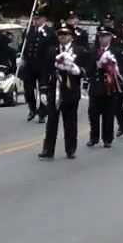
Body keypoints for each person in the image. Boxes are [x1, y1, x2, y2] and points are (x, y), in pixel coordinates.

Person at [40, 24, 86, 160]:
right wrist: (43, 89)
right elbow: (45, 70)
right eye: (60, 34)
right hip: (54, 90)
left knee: (70, 121)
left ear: (71, 36)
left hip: (71, 90)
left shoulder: (79, 50)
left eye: (65, 34)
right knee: (51, 121)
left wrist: (78, 71)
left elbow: (87, 68)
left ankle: (70, 149)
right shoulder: (52, 51)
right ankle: (48, 150)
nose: (62, 37)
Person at [86, 26, 120, 148]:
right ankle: (94, 137)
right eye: (100, 36)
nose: (102, 39)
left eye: (105, 36)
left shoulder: (115, 51)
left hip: (110, 86)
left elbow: (120, 69)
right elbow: (89, 68)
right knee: (93, 114)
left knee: (108, 113)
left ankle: (107, 138)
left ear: (110, 37)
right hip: (96, 85)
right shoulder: (93, 51)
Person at [19, 8, 53, 125]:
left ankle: (42, 113)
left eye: (38, 18)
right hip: (29, 65)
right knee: (28, 89)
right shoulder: (29, 30)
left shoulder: (49, 32)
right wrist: (21, 56)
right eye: (34, 18)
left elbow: (52, 49)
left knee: (43, 90)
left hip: (43, 66)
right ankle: (32, 108)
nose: (35, 20)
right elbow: (23, 46)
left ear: (44, 19)